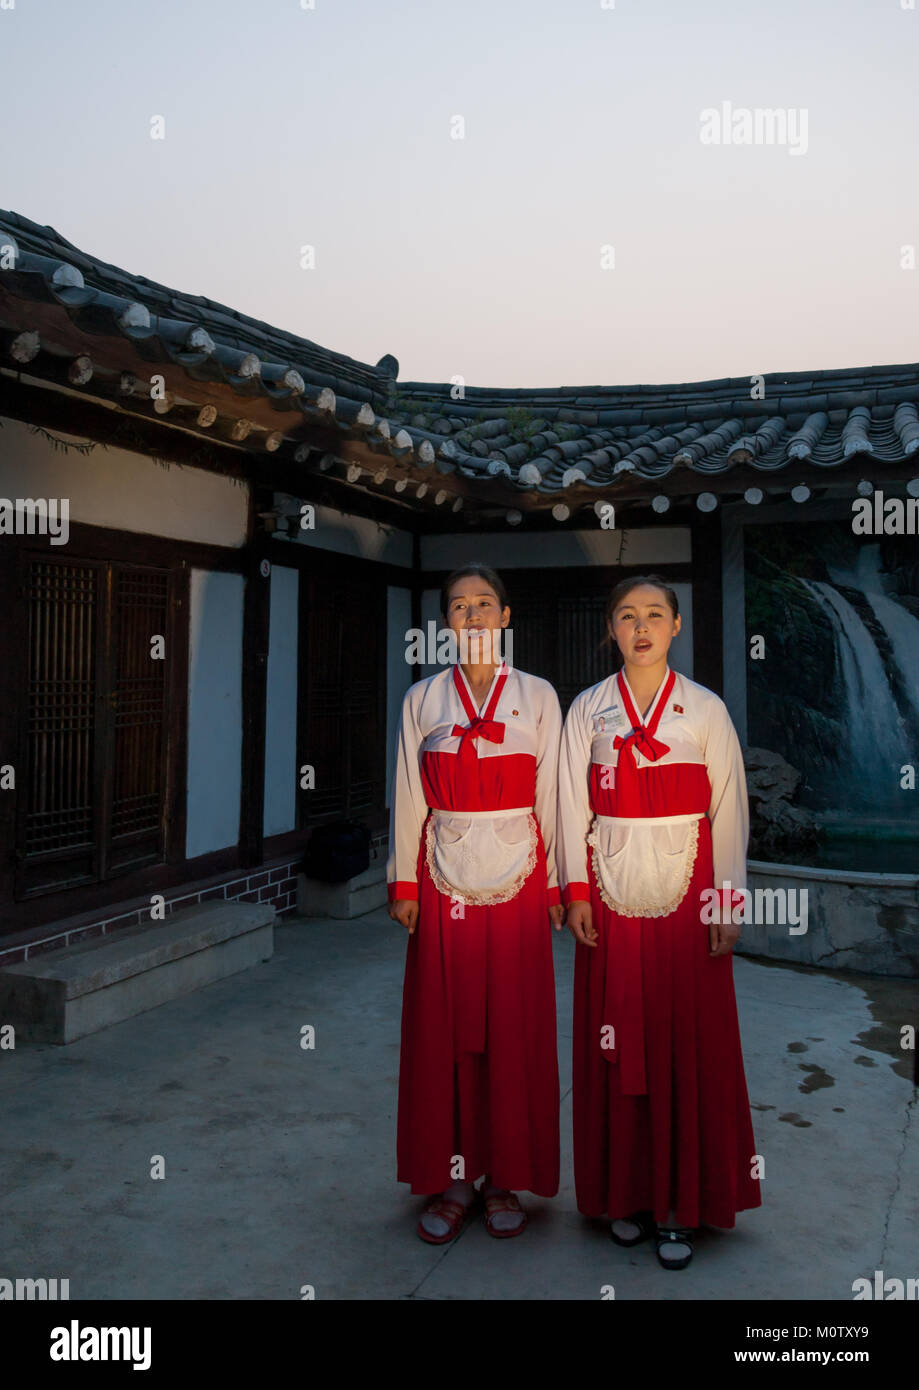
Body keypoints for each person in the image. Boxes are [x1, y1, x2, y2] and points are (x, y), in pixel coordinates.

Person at [557, 574, 761, 1269]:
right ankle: (626, 1196)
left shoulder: (703, 710)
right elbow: (566, 807)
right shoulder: (587, 710)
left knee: (684, 1045)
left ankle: (680, 1204)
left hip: (685, 895)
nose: (639, 627)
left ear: (675, 627)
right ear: (611, 629)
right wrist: (575, 892)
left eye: (653, 615)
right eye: (625, 616)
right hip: (610, 899)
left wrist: (727, 899)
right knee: (617, 1045)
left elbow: (729, 809)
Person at [388, 564, 563, 1242]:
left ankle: (505, 1178)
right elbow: (408, 793)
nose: (473, 616)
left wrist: (559, 886)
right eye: (459, 607)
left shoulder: (539, 696)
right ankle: (455, 1177)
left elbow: (553, 796)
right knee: (449, 1027)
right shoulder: (423, 700)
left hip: (520, 878)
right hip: (442, 877)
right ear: (445, 623)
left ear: (505, 616)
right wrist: (403, 882)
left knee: (511, 1027)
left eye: (484, 604)